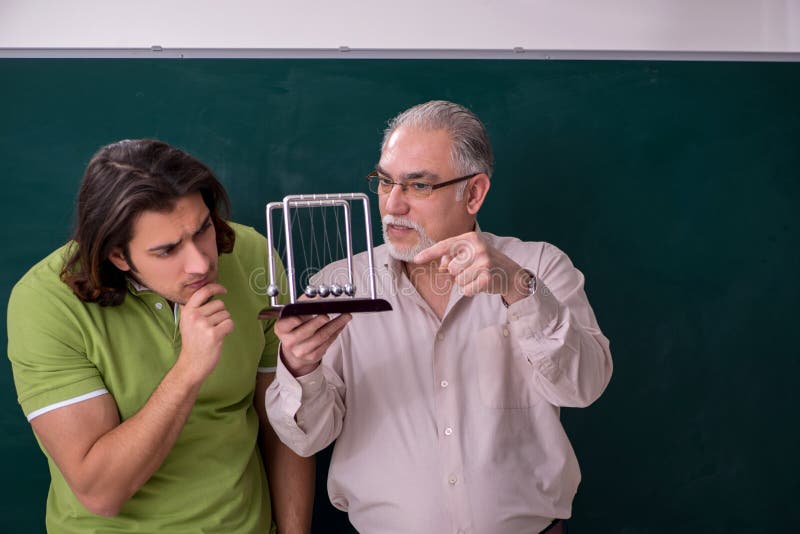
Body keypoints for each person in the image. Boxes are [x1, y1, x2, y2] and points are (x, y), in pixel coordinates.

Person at [265, 100, 613, 534]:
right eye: (385, 181)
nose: (393, 205)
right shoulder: (340, 285)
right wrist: (300, 367)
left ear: (474, 193)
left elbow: (585, 387)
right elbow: (307, 437)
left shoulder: (539, 267)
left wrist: (517, 289)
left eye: (418, 186)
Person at [6, 139, 314, 533]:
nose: (201, 262)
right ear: (117, 256)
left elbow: (284, 424)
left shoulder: (250, 254)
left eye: (202, 229)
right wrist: (189, 370)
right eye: (167, 251)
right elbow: (101, 492)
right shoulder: (45, 302)